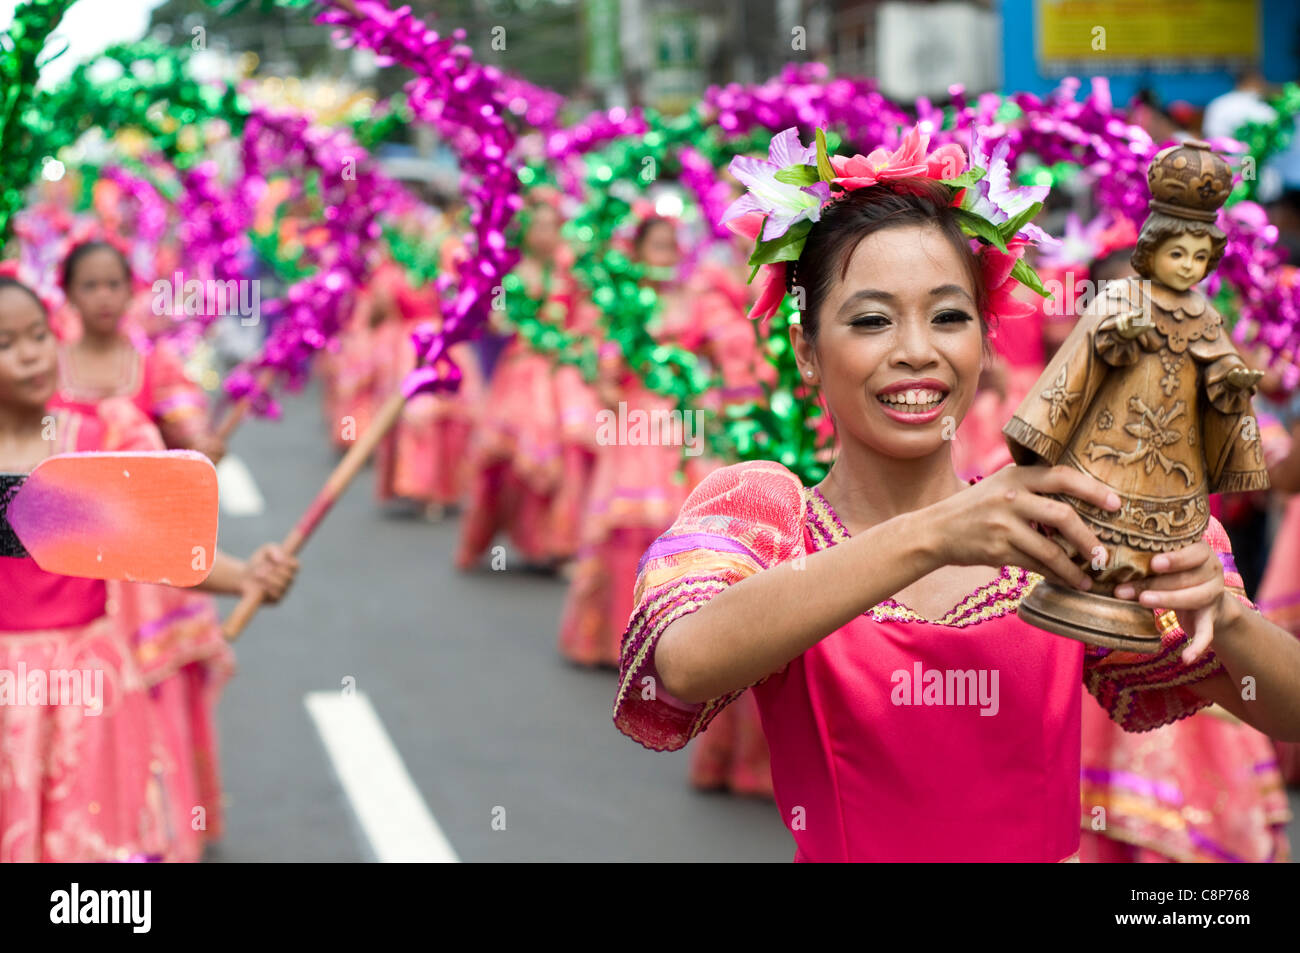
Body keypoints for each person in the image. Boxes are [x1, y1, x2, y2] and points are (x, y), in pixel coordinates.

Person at [612, 126, 1300, 862]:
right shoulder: (769, 514)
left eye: (949, 315)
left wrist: (1221, 613)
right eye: (872, 319)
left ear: (986, 337)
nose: (918, 350)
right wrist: (936, 533)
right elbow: (679, 663)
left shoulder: (1050, 525)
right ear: (807, 351)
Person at [0, 275, 298, 862]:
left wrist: (245, 576)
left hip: (92, 681)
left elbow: (157, 546)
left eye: (39, 334)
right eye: (6, 343)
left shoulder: (91, 444)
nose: (32, 353)